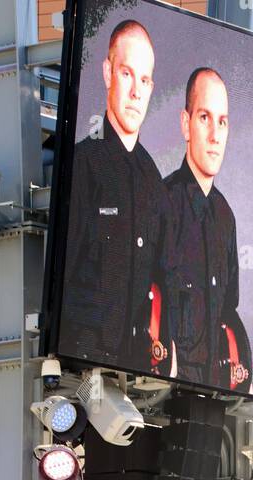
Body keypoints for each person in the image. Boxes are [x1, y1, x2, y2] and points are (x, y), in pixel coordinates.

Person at [61, 19, 175, 375]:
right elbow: (60, 280)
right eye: (127, 74)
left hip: (138, 378)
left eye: (144, 80)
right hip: (81, 371)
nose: (136, 92)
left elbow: (164, 290)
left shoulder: (155, 183)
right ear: (108, 72)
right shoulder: (82, 164)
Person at [163, 68, 252, 391]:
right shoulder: (163, 204)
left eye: (223, 122)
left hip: (214, 398)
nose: (215, 135)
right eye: (204, 118)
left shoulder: (225, 217)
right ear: (186, 124)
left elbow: (229, 310)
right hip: (165, 397)